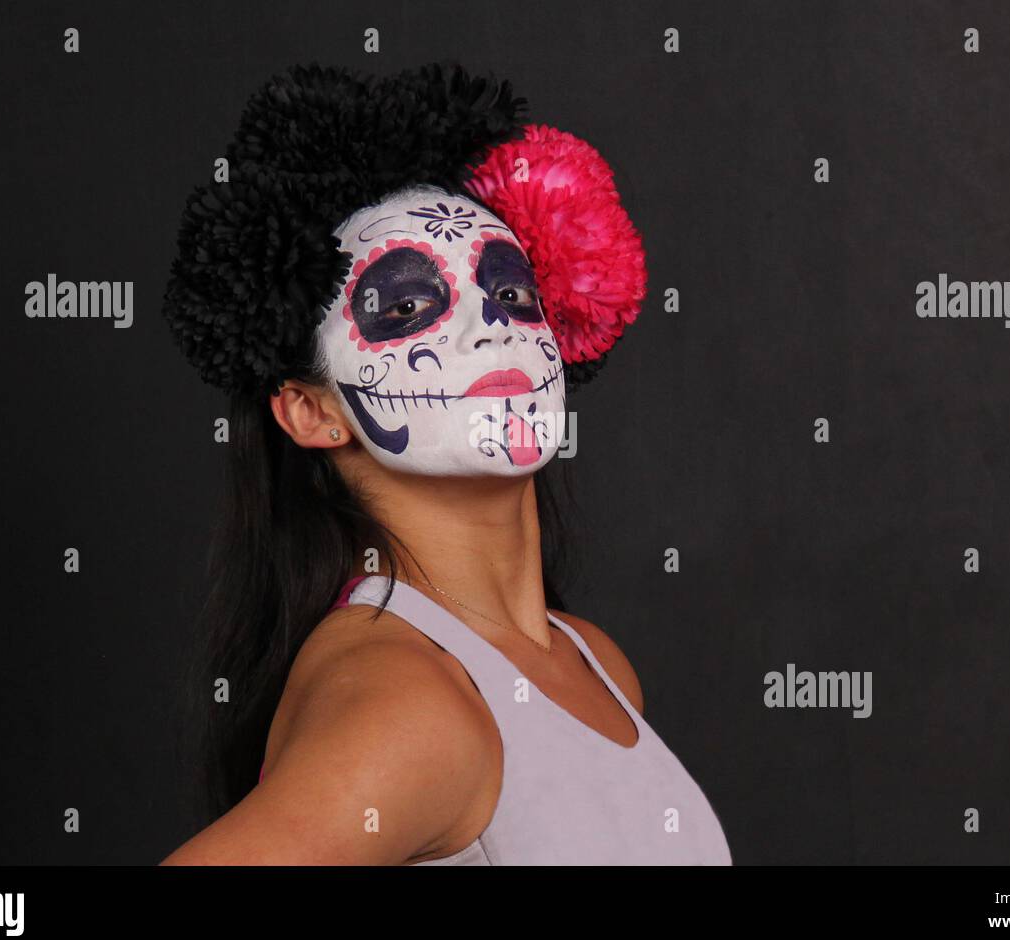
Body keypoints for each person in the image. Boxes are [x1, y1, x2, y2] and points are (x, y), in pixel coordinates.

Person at [157, 61, 731, 865]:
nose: (490, 328)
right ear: (311, 412)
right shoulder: (408, 699)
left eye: (512, 292)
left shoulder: (593, 661)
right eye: (407, 307)